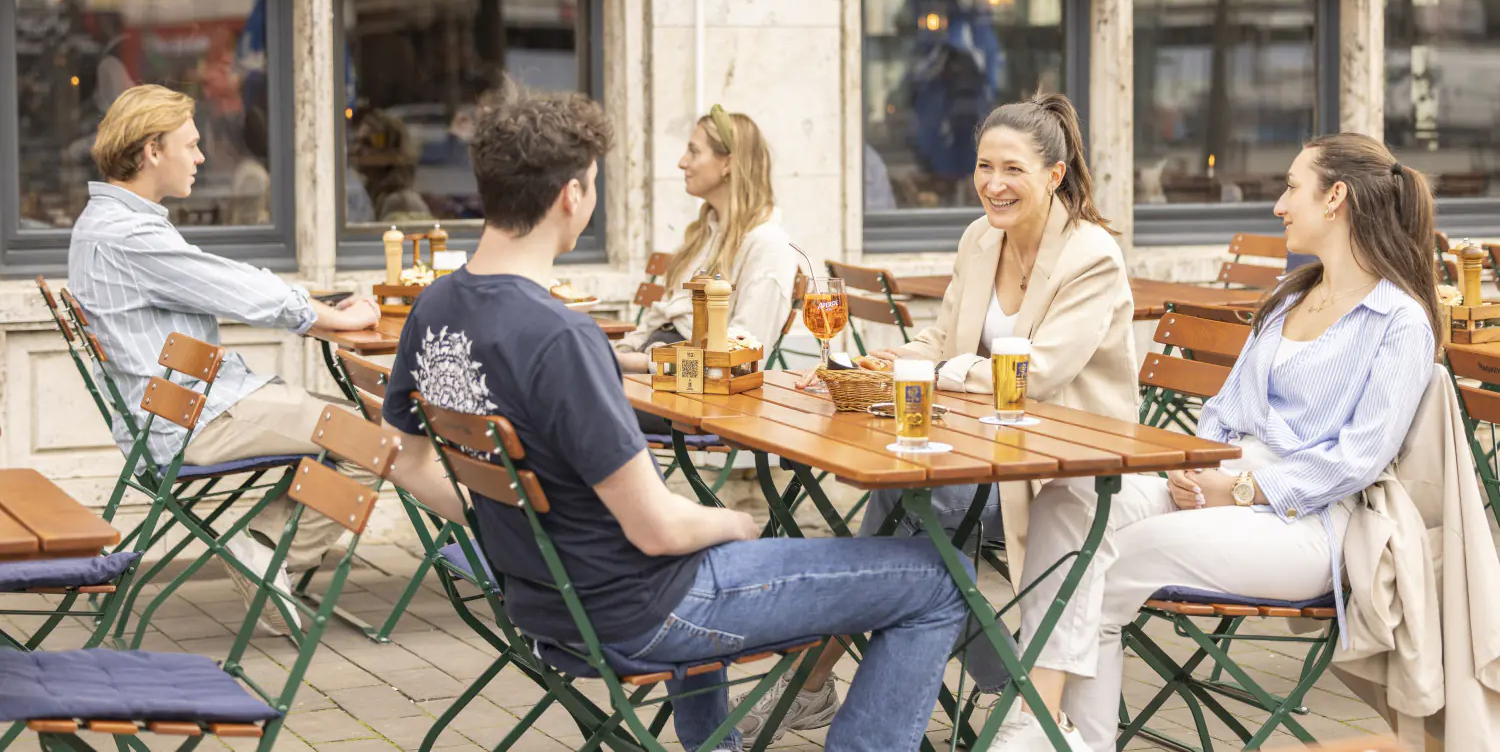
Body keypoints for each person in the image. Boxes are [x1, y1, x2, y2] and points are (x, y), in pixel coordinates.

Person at [380, 88, 970, 752]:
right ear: (571, 196)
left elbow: (404, 458)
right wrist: (735, 525)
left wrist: (512, 519)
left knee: (703, 538)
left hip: (547, 603)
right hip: (642, 610)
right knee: (937, 577)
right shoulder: (561, 338)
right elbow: (657, 529)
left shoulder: (434, 308)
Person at [990, 134, 1440, 752]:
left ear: (1336, 197)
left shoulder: (1400, 322)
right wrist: (1196, 464)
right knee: (1066, 499)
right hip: (1219, 485)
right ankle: (1048, 721)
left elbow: (1358, 459)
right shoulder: (1290, 299)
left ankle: (1054, 735)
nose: (1279, 205)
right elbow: (1225, 408)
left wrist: (1244, 488)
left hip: (1307, 524)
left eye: (1291, 187)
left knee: (1109, 561)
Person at [763, 94, 1138, 743]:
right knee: (913, 508)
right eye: (984, 165)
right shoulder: (978, 237)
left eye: (1013, 169)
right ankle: (977, 680)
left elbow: (1037, 374)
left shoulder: (1091, 255)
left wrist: (938, 371)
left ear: (1054, 174)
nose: (993, 183)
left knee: (920, 512)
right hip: (978, 449)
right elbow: (942, 343)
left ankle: (819, 674)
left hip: (1060, 469)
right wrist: (867, 364)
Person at [68, 84, 461, 632]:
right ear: (153, 149)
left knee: (366, 429)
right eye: (192, 144)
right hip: (198, 419)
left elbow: (219, 279)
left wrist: (314, 307)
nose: (203, 156)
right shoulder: (126, 235)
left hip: (185, 410)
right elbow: (231, 286)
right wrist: (328, 317)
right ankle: (269, 552)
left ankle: (266, 546)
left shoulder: (108, 225)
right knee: (379, 436)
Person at [613, 106, 797, 374]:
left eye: (694, 152)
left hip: (686, 387)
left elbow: (741, 355)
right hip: (655, 367)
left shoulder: (767, 244)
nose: (682, 162)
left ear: (728, 164)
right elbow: (659, 319)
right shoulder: (704, 234)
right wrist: (619, 354)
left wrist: (640, 363)